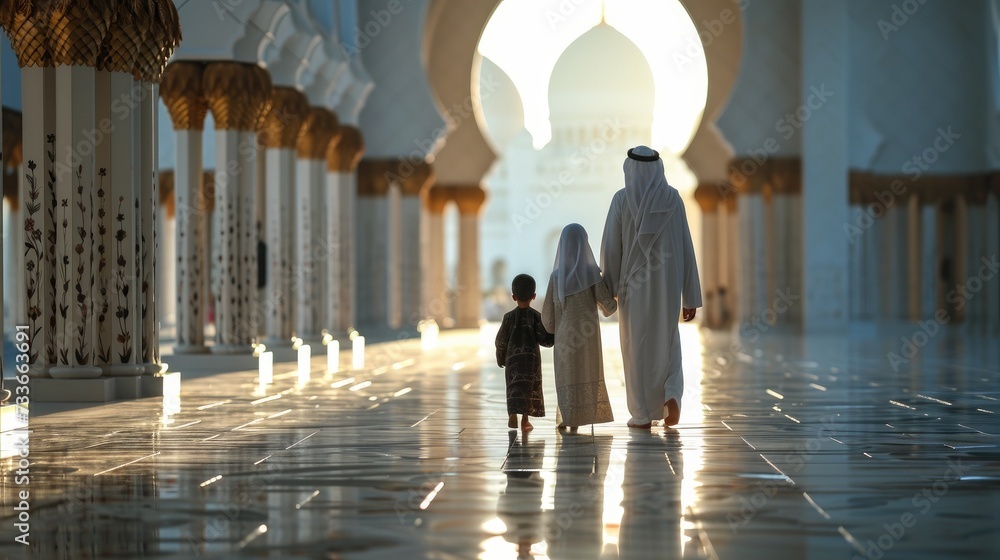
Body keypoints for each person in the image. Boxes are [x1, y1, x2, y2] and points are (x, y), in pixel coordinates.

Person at [600, 146, 702, 429]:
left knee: (637, 346)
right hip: (667, 284)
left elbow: (611, 249)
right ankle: (671, 394)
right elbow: (686, 247)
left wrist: (608, 291)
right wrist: (689, 296)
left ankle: (642, 412)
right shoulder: (673, 199)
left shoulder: (621, 201)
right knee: (668, 339)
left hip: (633, 287)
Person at [541, 223, 617, 431]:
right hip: (587, 336)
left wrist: (555, 329)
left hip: (565, 336)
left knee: (567, 374)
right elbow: (609, 307)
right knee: (586, 372)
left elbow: (547, 318)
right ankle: (583, 416)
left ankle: (568, 417)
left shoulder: (556, 277)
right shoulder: (591, 273)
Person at [496, 274, 555, 432]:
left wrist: (500, 357)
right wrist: (556, 333)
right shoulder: (536, 317)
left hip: (513, 362)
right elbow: (545, 339)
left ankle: (512, 414)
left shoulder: (508, 318)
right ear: (534, 296)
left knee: (514, 388)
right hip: (531, 363)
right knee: (528, 390)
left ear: (513, 296)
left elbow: (500, 341)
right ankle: (525, 420)